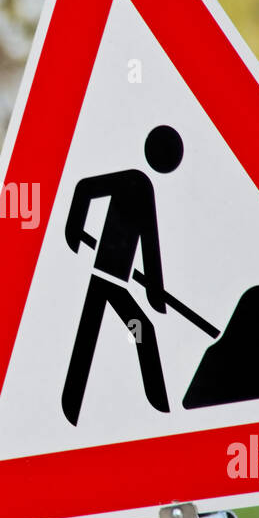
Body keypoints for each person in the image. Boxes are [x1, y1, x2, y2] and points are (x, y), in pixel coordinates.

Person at [61, 125, 183, 425]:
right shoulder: (136, 182)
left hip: (112, 281)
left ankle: (68, 409)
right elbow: (85, 189)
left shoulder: (142, 186)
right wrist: (73, 229)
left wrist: (155, 291)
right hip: (106, 279)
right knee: (139, 331)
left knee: (94, 336)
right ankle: (163, 413)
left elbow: (148, 243)